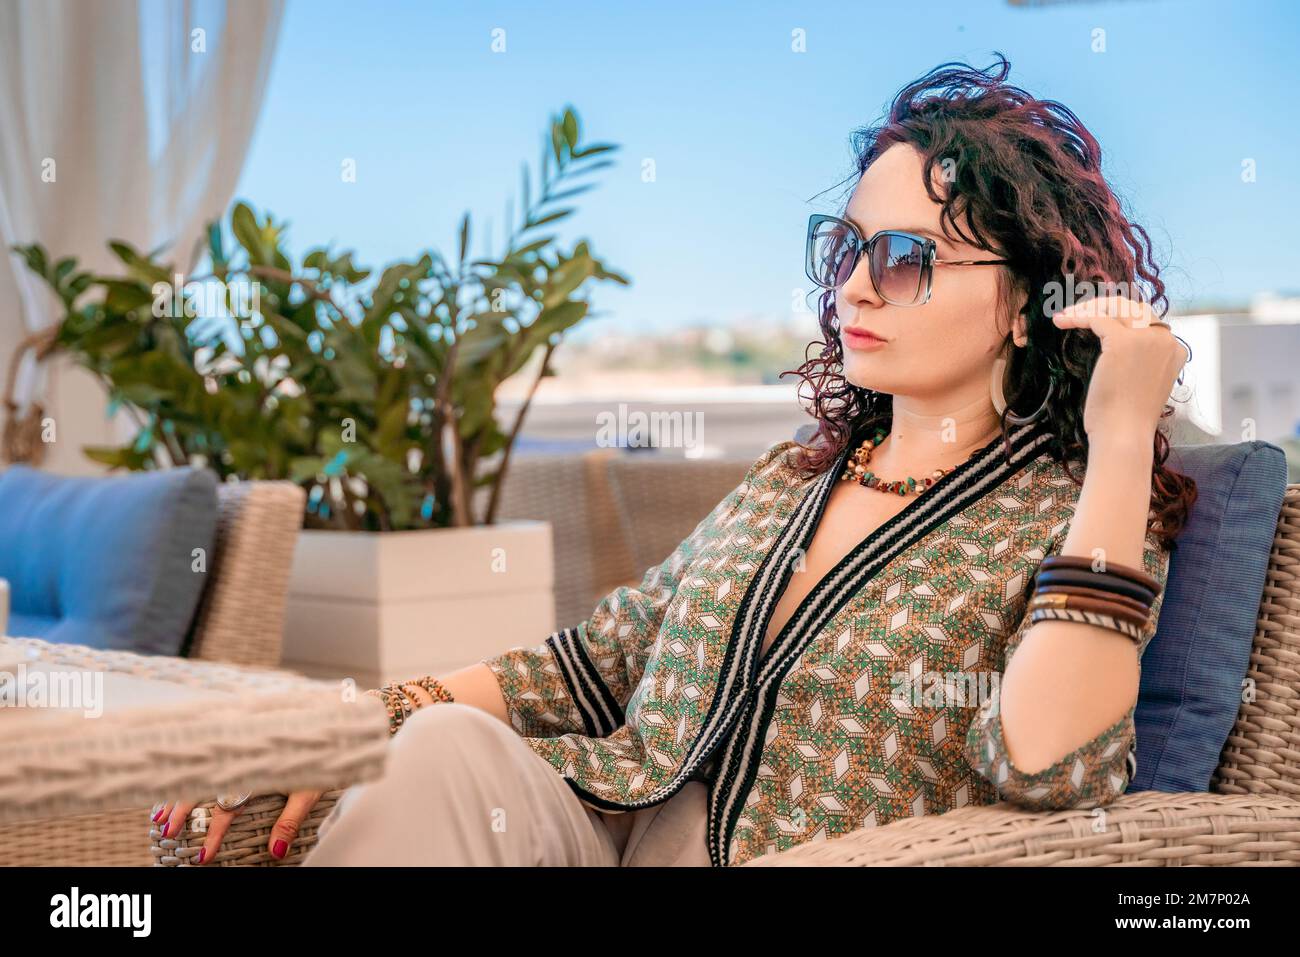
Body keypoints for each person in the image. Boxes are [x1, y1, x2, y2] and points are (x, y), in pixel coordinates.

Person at [154, 52, 1195, 868]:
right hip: (603, 826)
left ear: (1024, 301)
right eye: (847, 247)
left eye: (907, 258)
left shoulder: (1070, 518)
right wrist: (345, 719)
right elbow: (597, 660)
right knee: (440, 748)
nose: (855, 290)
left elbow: (1048, 768)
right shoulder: (791, 482)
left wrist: (1115, 439)